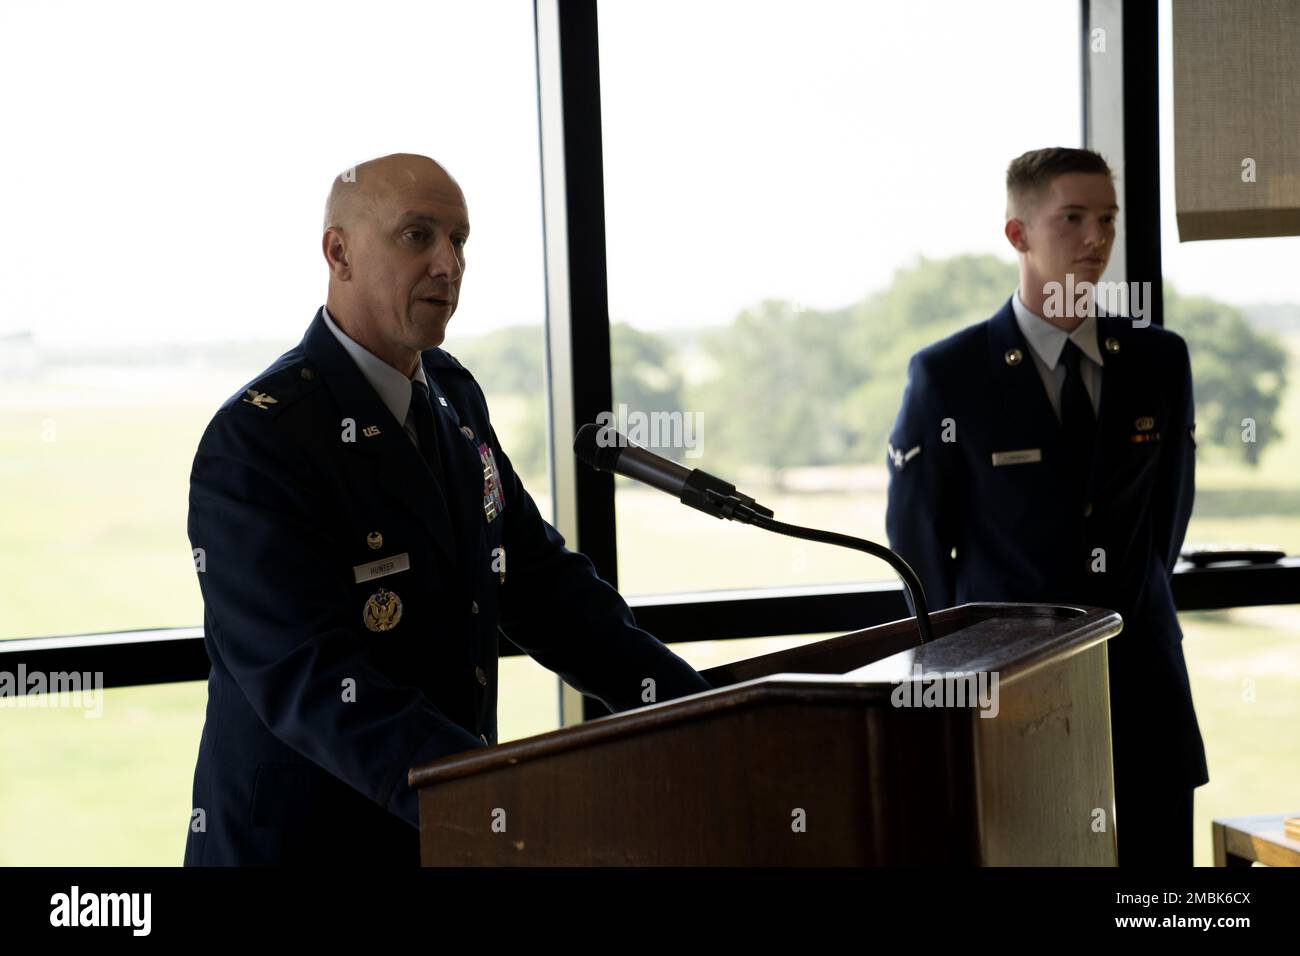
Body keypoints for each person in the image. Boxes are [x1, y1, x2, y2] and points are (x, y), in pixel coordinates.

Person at [183, 153, 711, 866]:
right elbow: (312, 679)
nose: (448, 264)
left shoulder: (453, 397)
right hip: (308, 848)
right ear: (338, 253)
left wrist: (695, 713)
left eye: (459, 240)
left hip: (448, 833)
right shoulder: (258, 440)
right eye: (417, 236)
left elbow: (544, 588)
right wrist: (505, 801)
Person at [884, 147, 1207, 866]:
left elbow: (1166, 519)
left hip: (1145, 683)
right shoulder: (948, 375)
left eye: (1107, 219)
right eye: (1073, 218)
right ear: (1018, 235)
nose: (1097, 238)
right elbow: (921, 556)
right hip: (1011, 695)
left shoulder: (1159, 359)